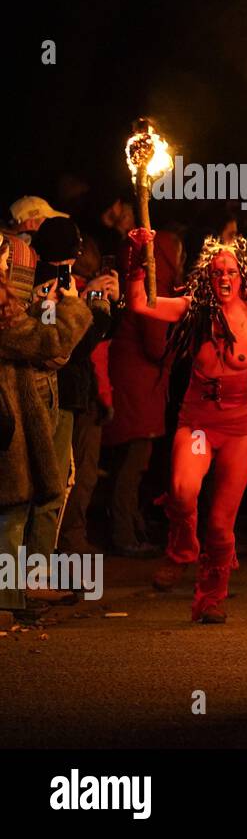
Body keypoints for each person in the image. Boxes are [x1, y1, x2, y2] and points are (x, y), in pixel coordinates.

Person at [126, 228, 247, 624]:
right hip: (197, 423)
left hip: (240, 429)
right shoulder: (192, 310)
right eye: (217, 272)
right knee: (182, 489)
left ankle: (212, 598)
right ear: (208, 278)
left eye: (231, 271)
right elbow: (140, 304)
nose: (225, 277)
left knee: (219, 524)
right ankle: (181, 550)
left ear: (242, 276)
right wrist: (135, 257)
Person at [0, 236, 93, 618]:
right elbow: (49, 341)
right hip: (7, 423)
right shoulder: (4, 316)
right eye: (5, 264)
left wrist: (46, 305)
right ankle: (6, 603)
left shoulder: (13, 310)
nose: (7, 269)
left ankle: (16, 596)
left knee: (15, 509)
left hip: (14, 417)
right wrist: (73, 306)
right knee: (11, 512)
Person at [102, 224, 182, 557]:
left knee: (127, 462)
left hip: (131, 385)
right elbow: (156, 345)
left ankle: (131, 526)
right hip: (140, 389)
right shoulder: (154, 290)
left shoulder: (140, 282)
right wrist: (183, 346)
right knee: (133, 464)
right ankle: (125, 535)